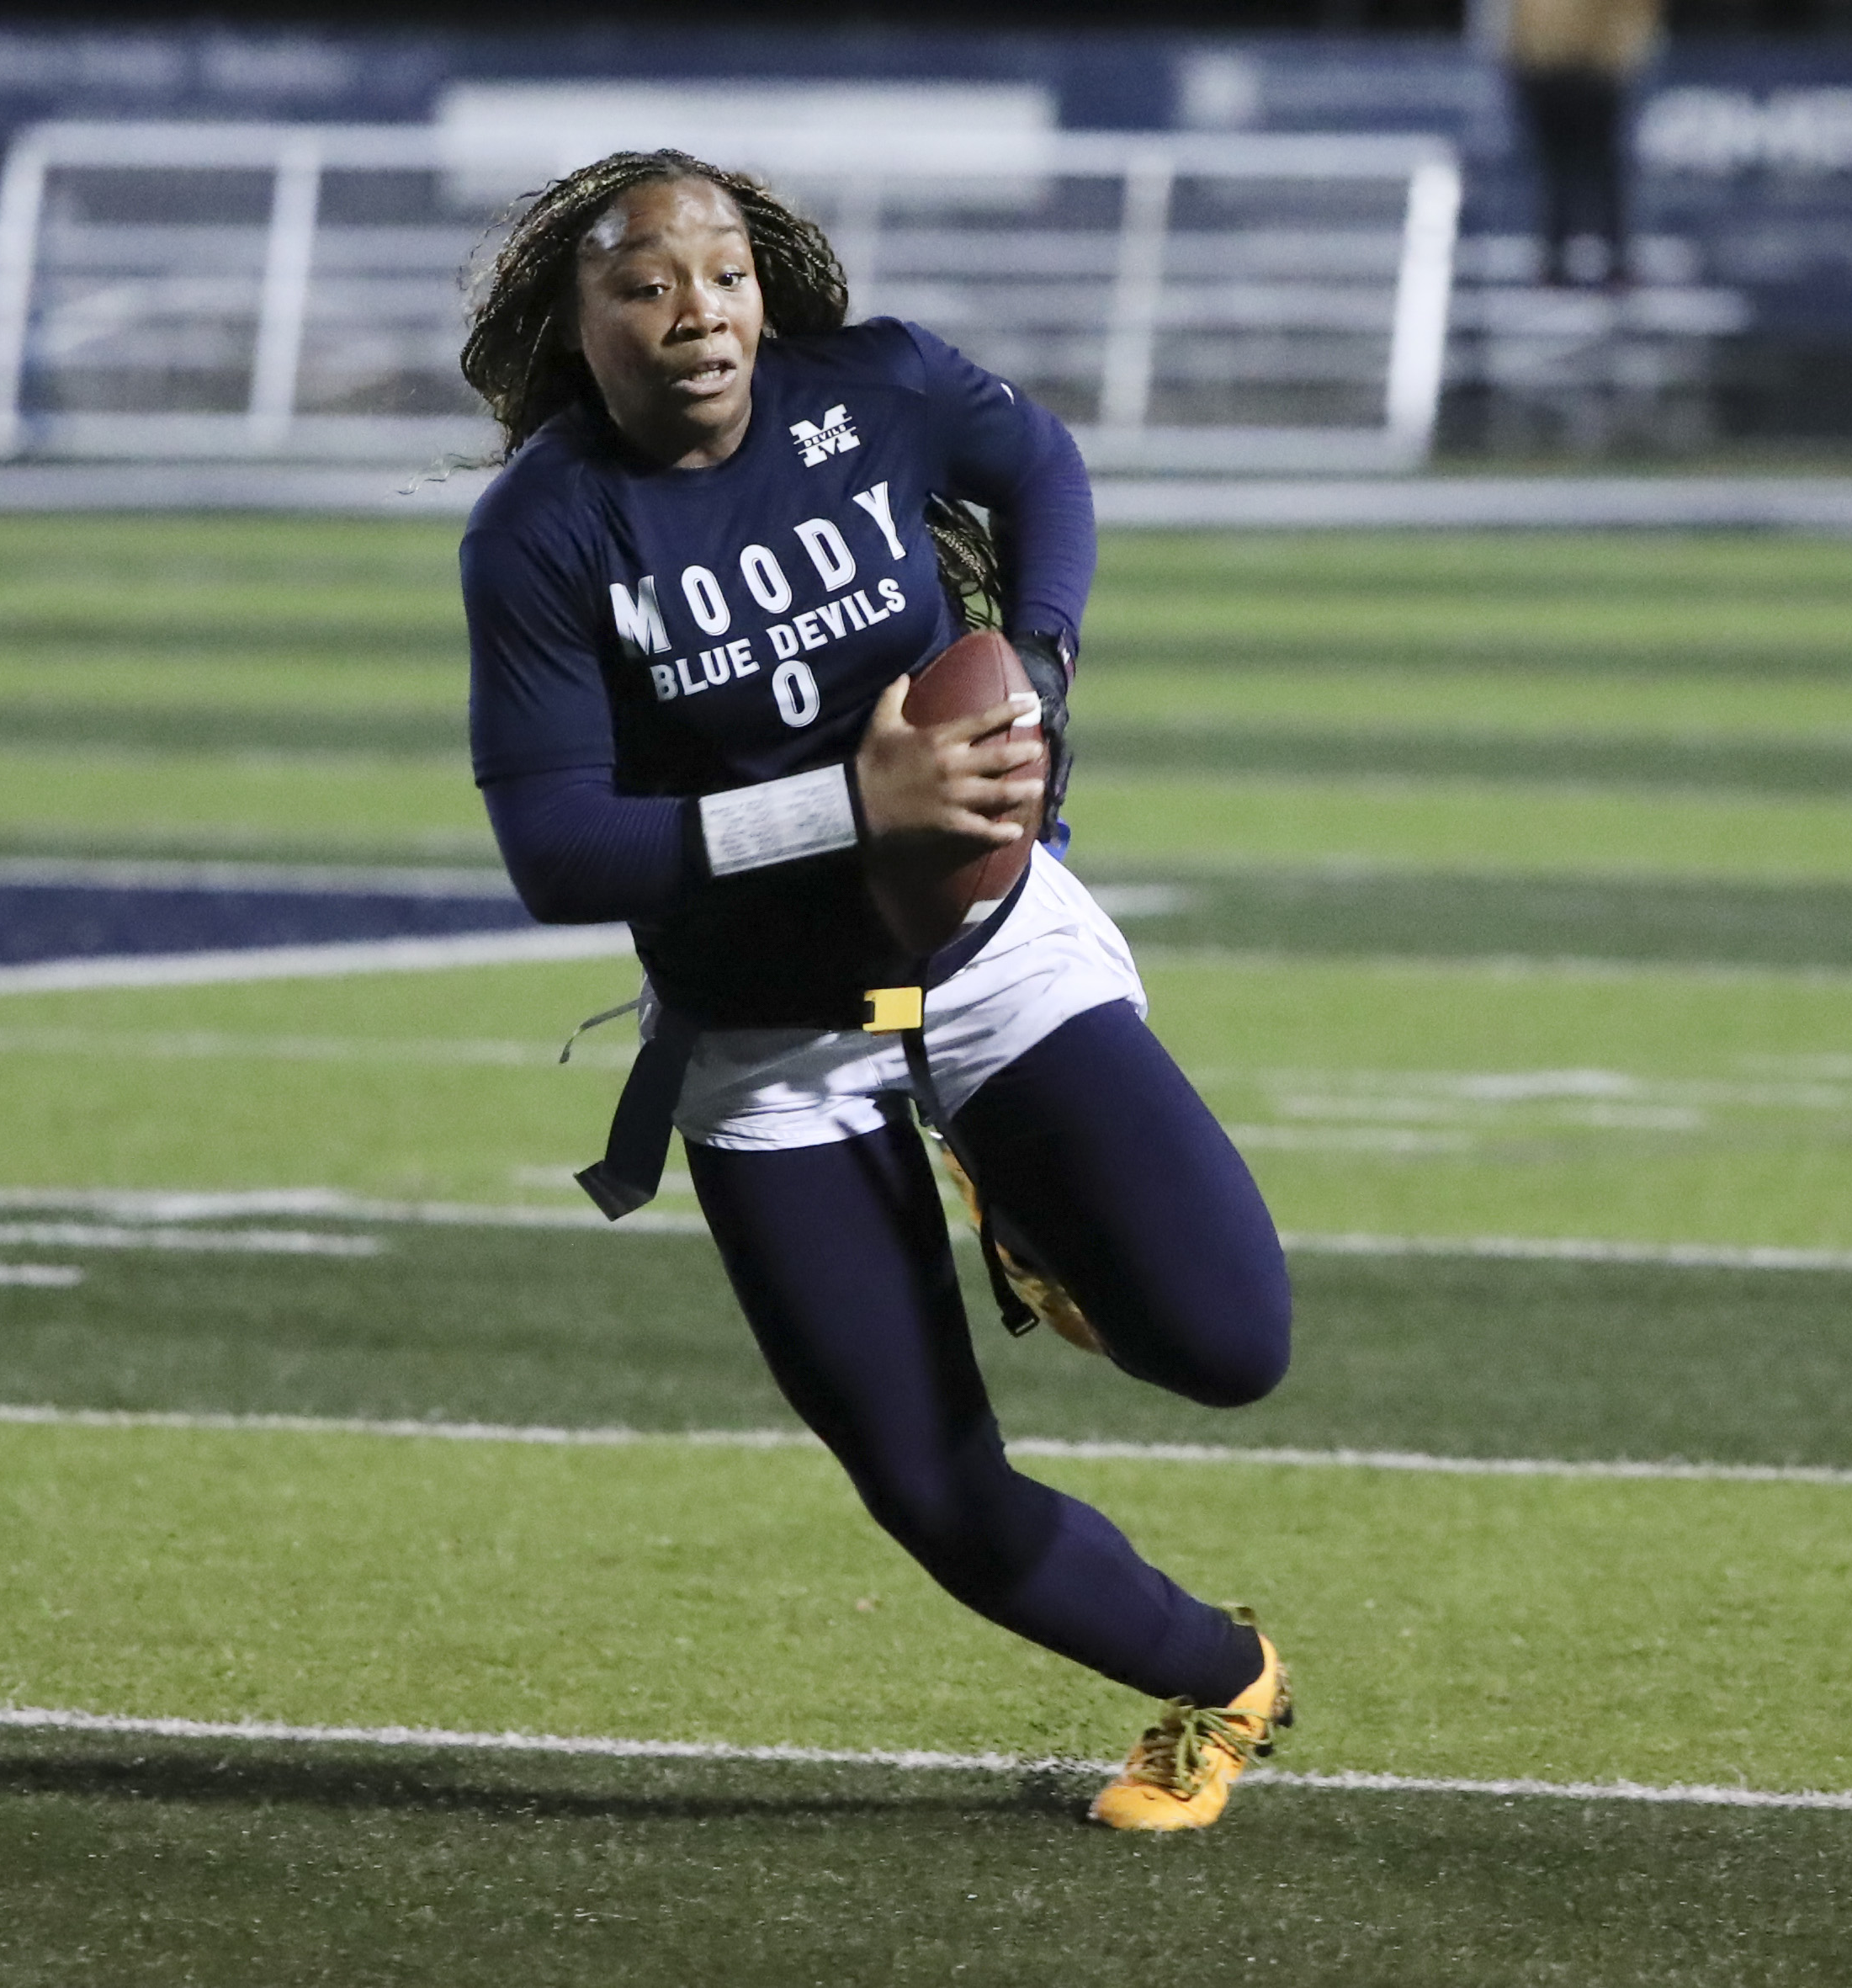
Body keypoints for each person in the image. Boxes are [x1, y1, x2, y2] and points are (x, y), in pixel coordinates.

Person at [458, 152, 1295, 1831]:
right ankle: (1221, 1682)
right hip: (768, 1044)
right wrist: (852, 806)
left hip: (981, 958)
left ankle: (1013, 1185)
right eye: (643, 282)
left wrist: (1040, 654)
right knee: (927, 1487)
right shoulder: (545, 529)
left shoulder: (879, 385)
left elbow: (1034, 458)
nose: (693, 311)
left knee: (1225, 1343)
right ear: (576, 318)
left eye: (721, 272)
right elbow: (556, 849)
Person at [1504, 0, 1663, 288]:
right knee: (1555, 168)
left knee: (1602, 167)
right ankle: (1555, 257)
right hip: (1545, 64)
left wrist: (1623, 55)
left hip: (1598, 69)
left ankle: (1616, 258)